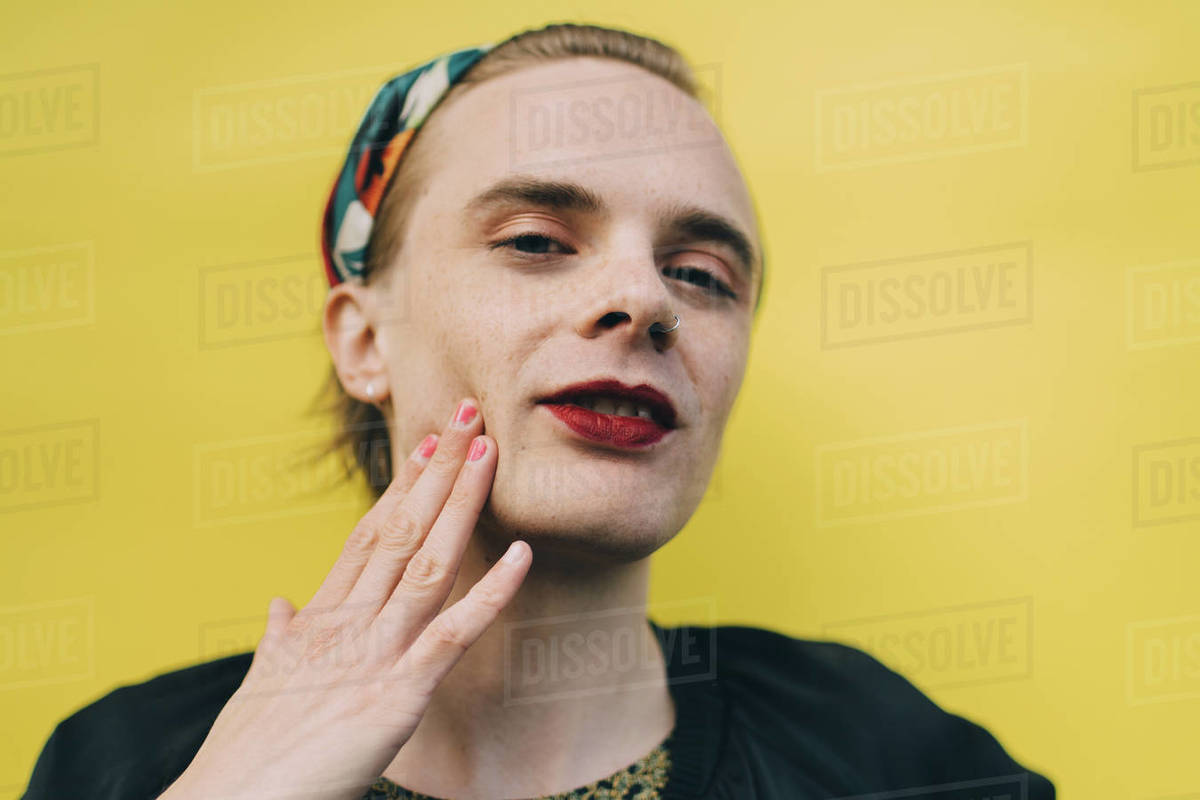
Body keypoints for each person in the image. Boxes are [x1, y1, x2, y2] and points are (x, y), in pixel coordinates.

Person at [21, 22, 1055, 800]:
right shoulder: (126, 760)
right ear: (363, 338)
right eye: (535, 240)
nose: (645, 300)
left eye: (699, 273)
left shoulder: (888, 754)